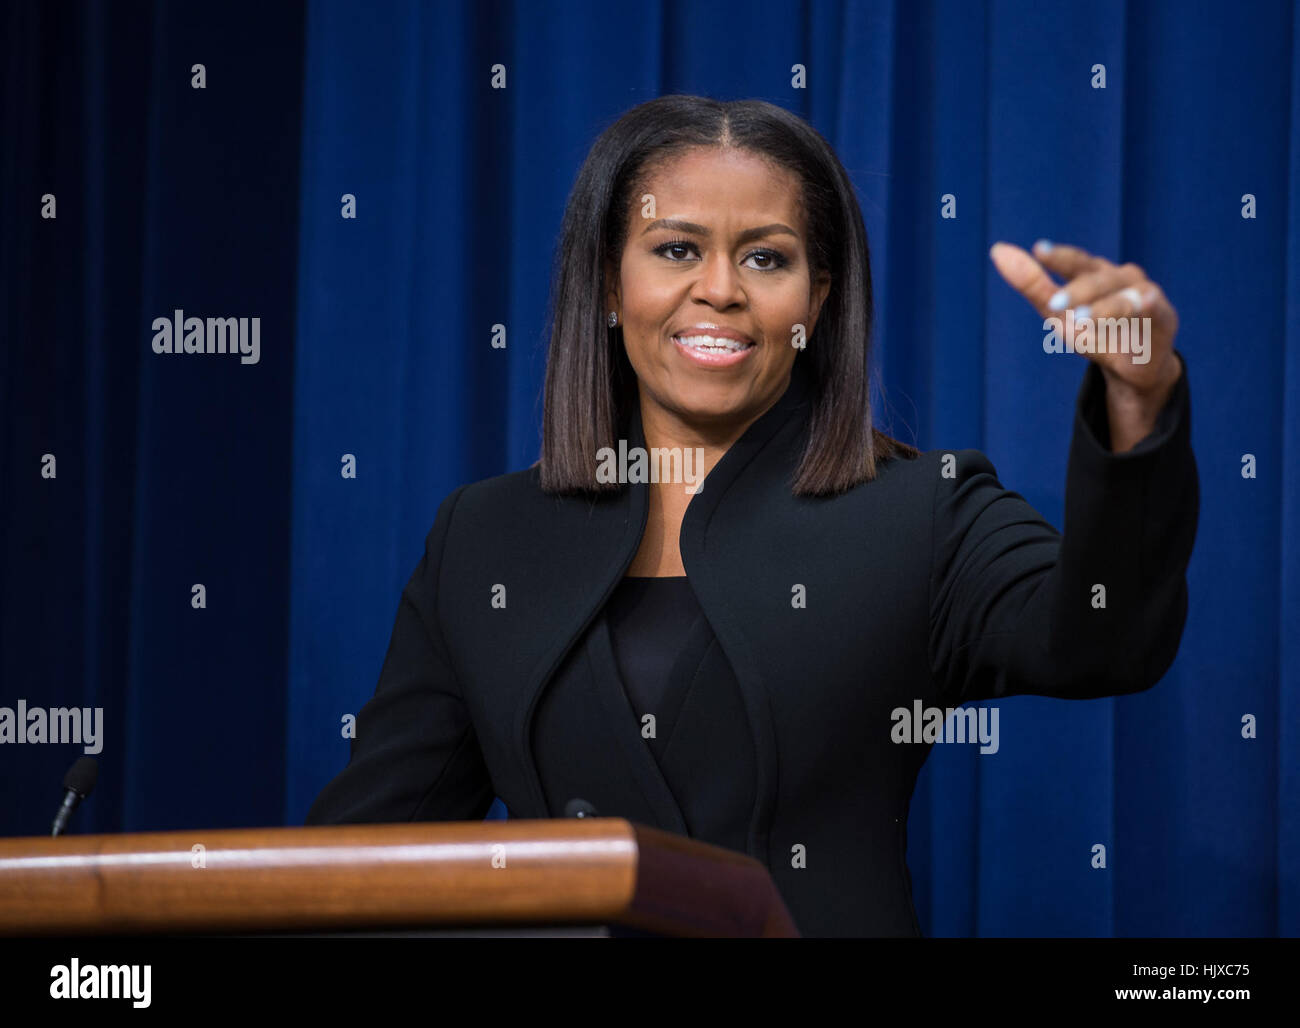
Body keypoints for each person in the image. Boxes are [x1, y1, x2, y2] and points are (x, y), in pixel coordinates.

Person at [305, 94, 1197, 937]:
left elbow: (1103, 638)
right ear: (609, 286)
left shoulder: (925, 511)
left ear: (818, 300)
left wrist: (1138, 398)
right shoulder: (484, 536)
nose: (721, 289)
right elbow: (369, 858)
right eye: (675, 249)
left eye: (768, 257)